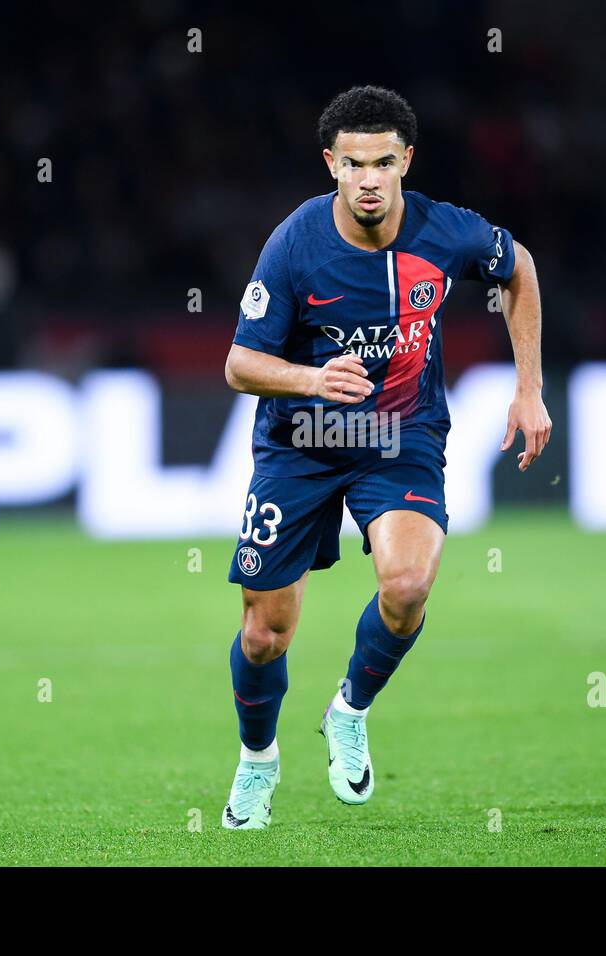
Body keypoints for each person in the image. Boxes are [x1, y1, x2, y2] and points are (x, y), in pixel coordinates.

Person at [219, 85, 551, 828]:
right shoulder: (296, 243)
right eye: (354, 163)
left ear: (406, 161)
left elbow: (518, 267)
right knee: (264, 633)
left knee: (407, 586)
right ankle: (258, 759)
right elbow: (240, 364)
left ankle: (349, 709)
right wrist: (310, 377)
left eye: (383, 163)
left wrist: (529, 389)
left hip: (397, 438)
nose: (369, 178)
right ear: (331, 165)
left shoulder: (444, 230)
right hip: (300, 446)